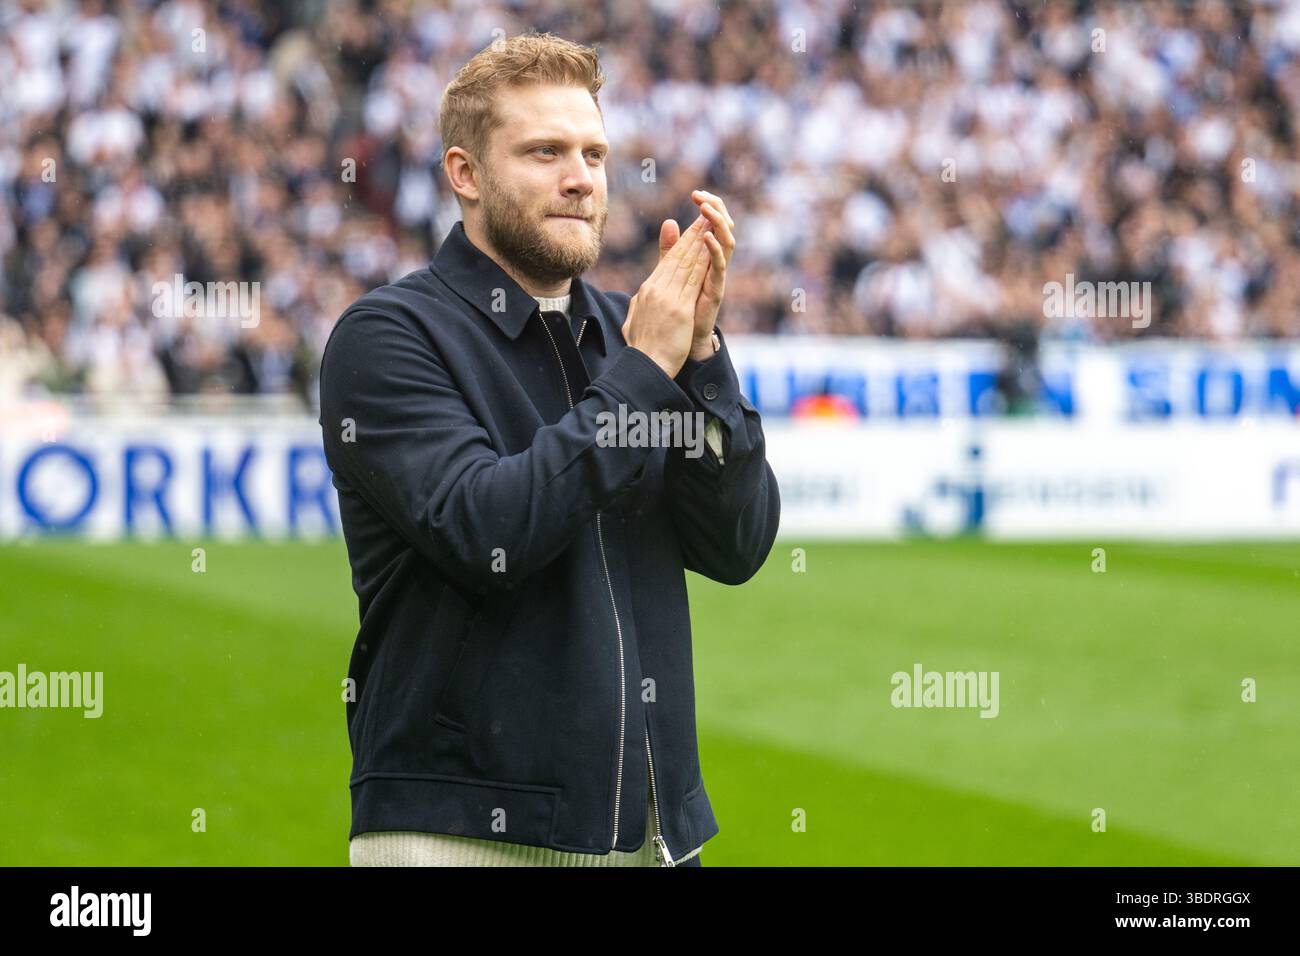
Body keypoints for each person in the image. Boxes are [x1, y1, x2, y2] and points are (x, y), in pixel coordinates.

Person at [318, 31, 780, 867]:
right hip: (459, 833)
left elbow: (738, 545)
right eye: (544, 152)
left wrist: (705, 358)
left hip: (651, 837)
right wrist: (646, 369)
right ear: (465, 174)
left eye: (594, 154)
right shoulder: (387, 335)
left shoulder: (627, 332)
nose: (581, 178)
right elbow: (489, 530)